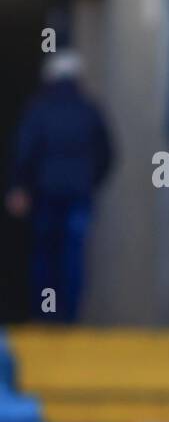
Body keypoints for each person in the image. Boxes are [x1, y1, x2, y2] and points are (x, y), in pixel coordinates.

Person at [7, 52, 114, 323]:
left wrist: (20, 186)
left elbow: (24, 150)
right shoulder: (90, 110)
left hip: (46, 194)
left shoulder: (39, 110)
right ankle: (68, 316)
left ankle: (46, 313)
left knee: (45, 254)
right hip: (78, 194)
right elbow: (107, 154)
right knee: (73, 256)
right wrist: (90, 181)